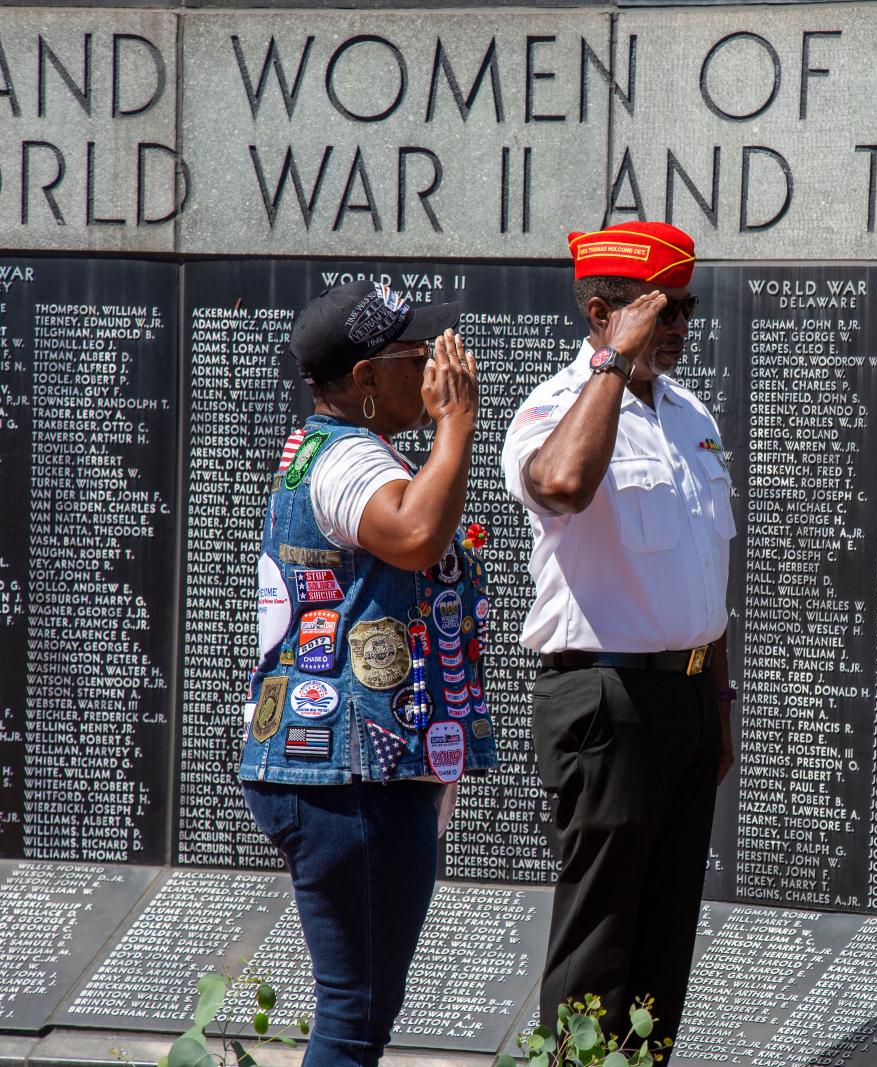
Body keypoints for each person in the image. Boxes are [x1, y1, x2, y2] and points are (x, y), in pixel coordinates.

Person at [240, 279, 498, 1067]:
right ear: (365, 381)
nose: (433, 365)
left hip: (343, 771)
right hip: (349, 776)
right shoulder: (348, 459)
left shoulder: (342, 449)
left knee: (358, 1011)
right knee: (354, 1018)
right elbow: (417, 534)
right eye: (414, 355)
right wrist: (456, 426)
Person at [501, 221, 736, 1052]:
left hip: (686, 698)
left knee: (665, 940)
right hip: (605, 699)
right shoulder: (553, 410)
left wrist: (720, 693)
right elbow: (562, 485)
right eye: (660, 311)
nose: (678, 328)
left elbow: (704, 567)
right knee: (598, 939)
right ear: (601, 312)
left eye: (684, 310)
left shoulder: (689, 415)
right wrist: (611, 363)